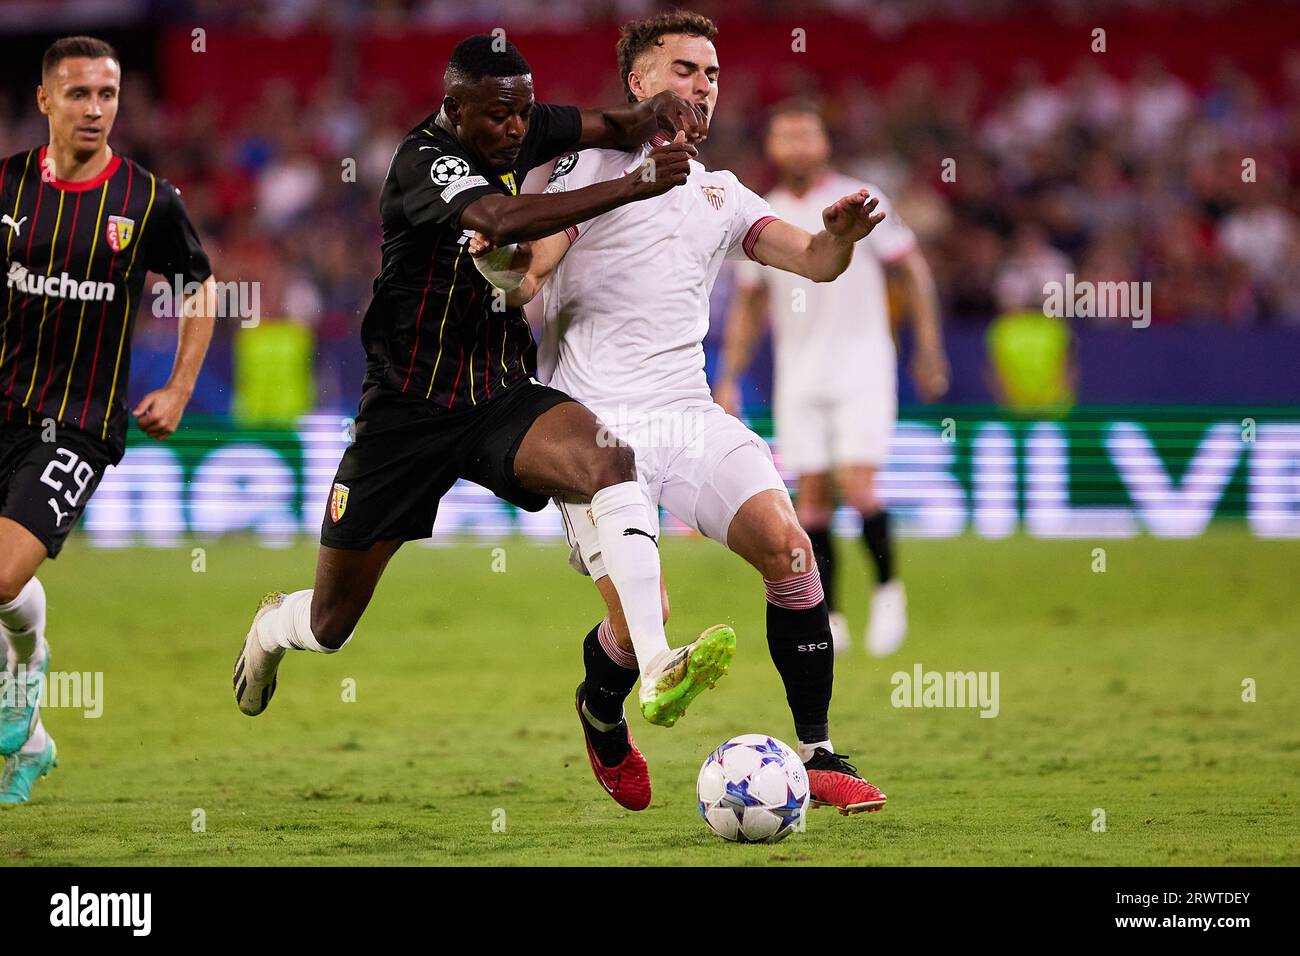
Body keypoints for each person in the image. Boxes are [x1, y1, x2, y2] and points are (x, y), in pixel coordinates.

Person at [233, 35, 737, 736]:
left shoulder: (522, 126)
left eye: (525, 116)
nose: (515, 131)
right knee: (331, 622)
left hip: (498, 395)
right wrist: (633, 184)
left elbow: (620, 125)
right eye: (498, 118)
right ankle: (271, 627)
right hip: (405, 414)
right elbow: (498, 219)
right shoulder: (422, 161)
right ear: (454, 109)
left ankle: (655, 665)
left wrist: (667, 109)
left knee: (607, 461)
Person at [472, 12, 890, 815]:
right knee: (643, 619)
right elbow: (528, 278)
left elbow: (811, 259)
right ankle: (601, 715)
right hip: (590, 431)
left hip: (686, 412)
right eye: (685, 69)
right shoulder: (586, 174)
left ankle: (821, 752)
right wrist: (503, 264)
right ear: (638, 83)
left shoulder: (719, 193)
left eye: (712, 73)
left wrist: (837, 240)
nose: (703, 85)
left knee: (790, 551)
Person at [0, 36, 217, 804]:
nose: (95, 109)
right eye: (79, 94)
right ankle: (30, 721)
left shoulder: (147, 200)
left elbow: (200, 288)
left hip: (79, 420)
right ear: (44, 100)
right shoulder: (8, 187)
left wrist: (181, 387)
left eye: (108, 94)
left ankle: (24, 675)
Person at [717, 101, 950, 657]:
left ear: (824, 143)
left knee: (859, 483)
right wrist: (728, 377)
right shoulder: (762, 212)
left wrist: (929, 347)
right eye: (785, 136)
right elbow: (749, 305)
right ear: (771, 147)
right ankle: (835, 614)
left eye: (806, 134)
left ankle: (889, 592)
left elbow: (910, 269)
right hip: (800, 373)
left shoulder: (861, 200)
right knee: (814, 498)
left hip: (864, 364)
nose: (797, 145)